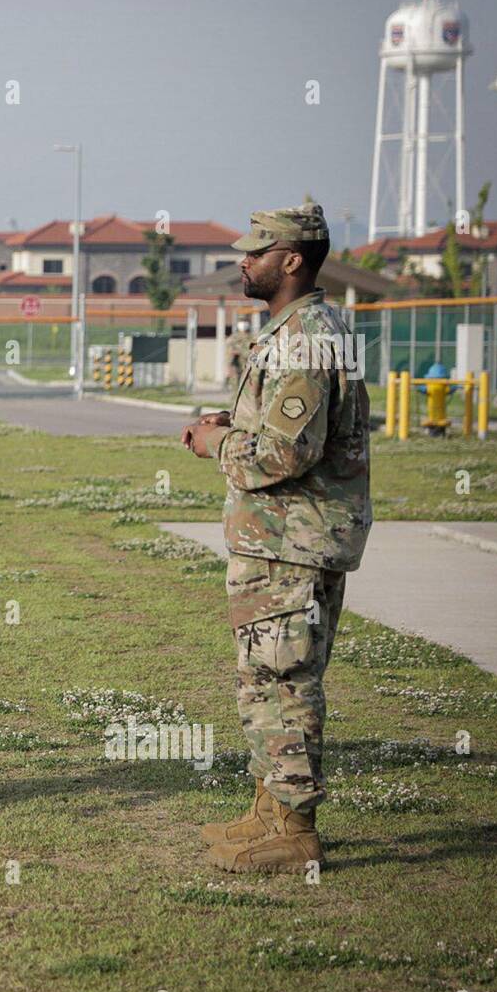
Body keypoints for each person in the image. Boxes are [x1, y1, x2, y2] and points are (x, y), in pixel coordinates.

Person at [181, 203, 371, 873]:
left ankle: (295, 830)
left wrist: (215, 443)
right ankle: (269, 808)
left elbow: (287, 454)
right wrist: (232, 425)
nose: (244, 260)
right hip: (278, 539)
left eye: (258, 251)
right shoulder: (294, 332)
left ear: (292, 259)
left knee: (286, 679)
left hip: (294, 541)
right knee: (262, 678)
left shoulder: (306, 339)